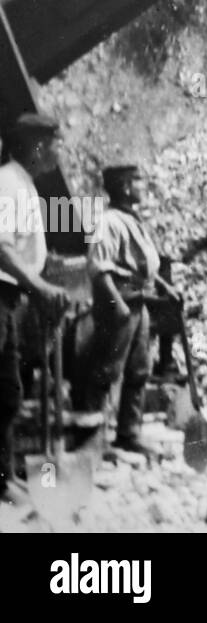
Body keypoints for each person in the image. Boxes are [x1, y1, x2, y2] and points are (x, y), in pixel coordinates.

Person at [75, 164, 178, 456]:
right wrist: (117, 306)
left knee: (139, 369)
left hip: (137, 301)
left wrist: (163, 286)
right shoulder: (107, 222)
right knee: (106, 370)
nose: (144, 187)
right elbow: (98, 267)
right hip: (118, 303)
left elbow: (138, 261)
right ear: (123, 187)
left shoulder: (130, 220)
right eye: (138, 181)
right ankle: (89, 440)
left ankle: (128, 433)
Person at [0, 112, 71, 502]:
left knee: (8, 391)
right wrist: (40, 285)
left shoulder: (24, 185)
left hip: (10, 299)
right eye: (56, 143)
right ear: (39, 146)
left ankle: (3, 477)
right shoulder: (9, 182)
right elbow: (2, 248)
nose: (59, 152)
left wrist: (45, 273)